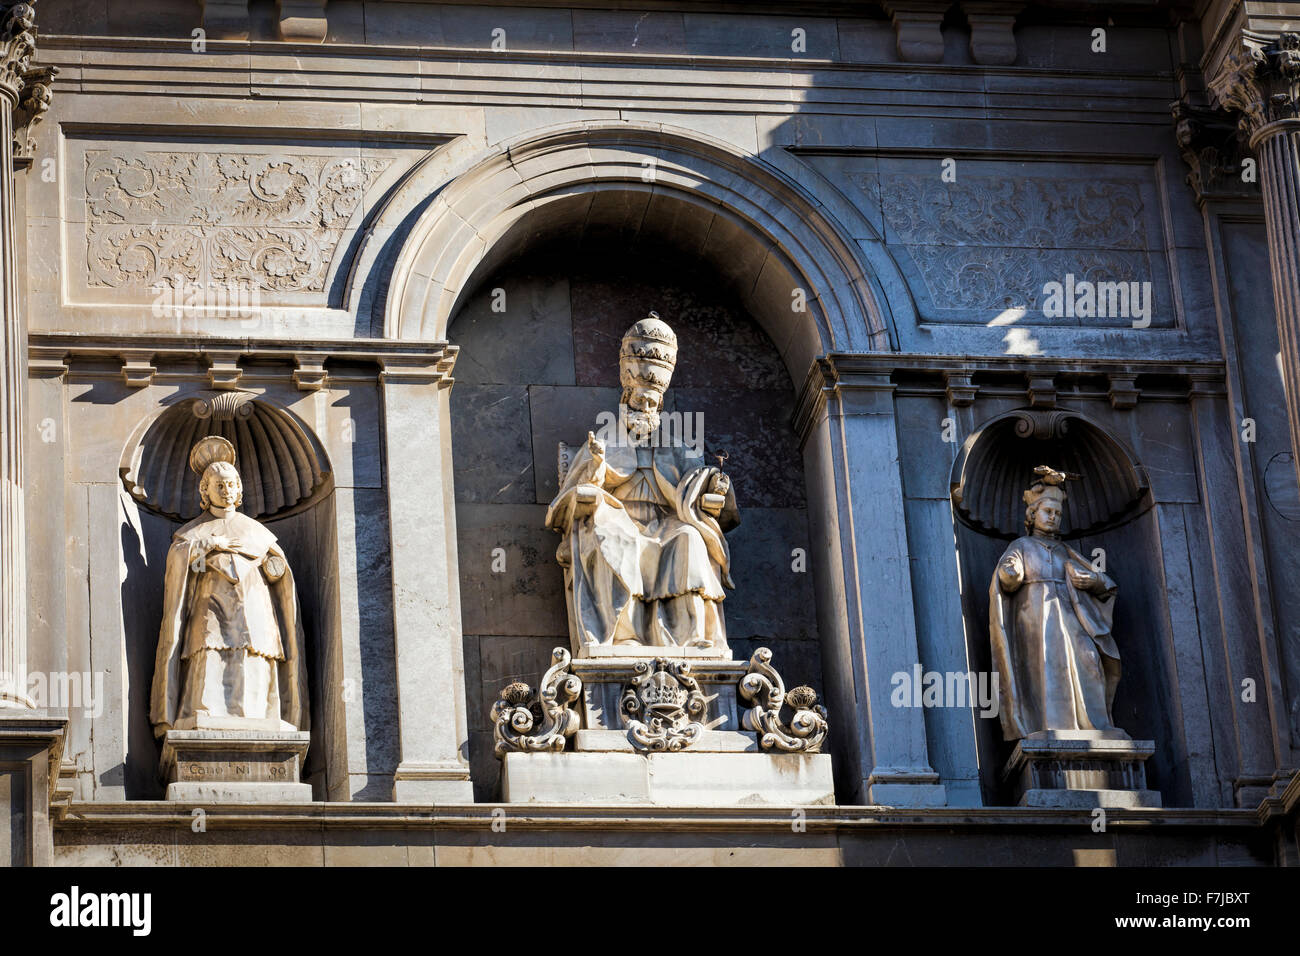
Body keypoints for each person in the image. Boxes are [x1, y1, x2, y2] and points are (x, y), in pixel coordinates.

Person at [546, 314, 739, 652]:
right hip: (621, 517)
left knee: (691, 538)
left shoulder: (678, 446)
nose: (645, 407)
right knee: (610, 533)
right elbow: (579, 491)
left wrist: (714, 486)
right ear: (626, 399)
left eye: (651, 403)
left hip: (668, 523)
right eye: (639, 401)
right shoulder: (607, 438)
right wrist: (596, 461)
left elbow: (697, 484)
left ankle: (694, 637)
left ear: (660, 406)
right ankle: (625, 637)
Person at [150, 435, 309, 736]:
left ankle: (257, 715)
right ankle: (205, 712)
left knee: (253, 658)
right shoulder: (191, 534)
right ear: (205, 491)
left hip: (254, 608)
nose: (226, 491)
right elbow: (184, 570)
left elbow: (279, 576)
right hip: (210, 607)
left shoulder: (257, 532)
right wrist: (209, 545)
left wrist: (275, 569)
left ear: (240, 490)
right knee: (209, 656)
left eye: (232, 484)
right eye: (219, 486)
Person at [989, 465, 1123, 739]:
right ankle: (1048, 727)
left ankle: (1096, 726)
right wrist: (1010, 572)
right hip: (1036, 619)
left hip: (1072, 617)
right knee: (1046, 669)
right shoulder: (1021, 546)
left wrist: (1092, 582)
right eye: (1048, 512)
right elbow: (1008, 575)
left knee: (1088, 660)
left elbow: (1105, 585)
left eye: (1058, 514)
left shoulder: (1066, 550)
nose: (1053, 518)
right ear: (1032, 513)